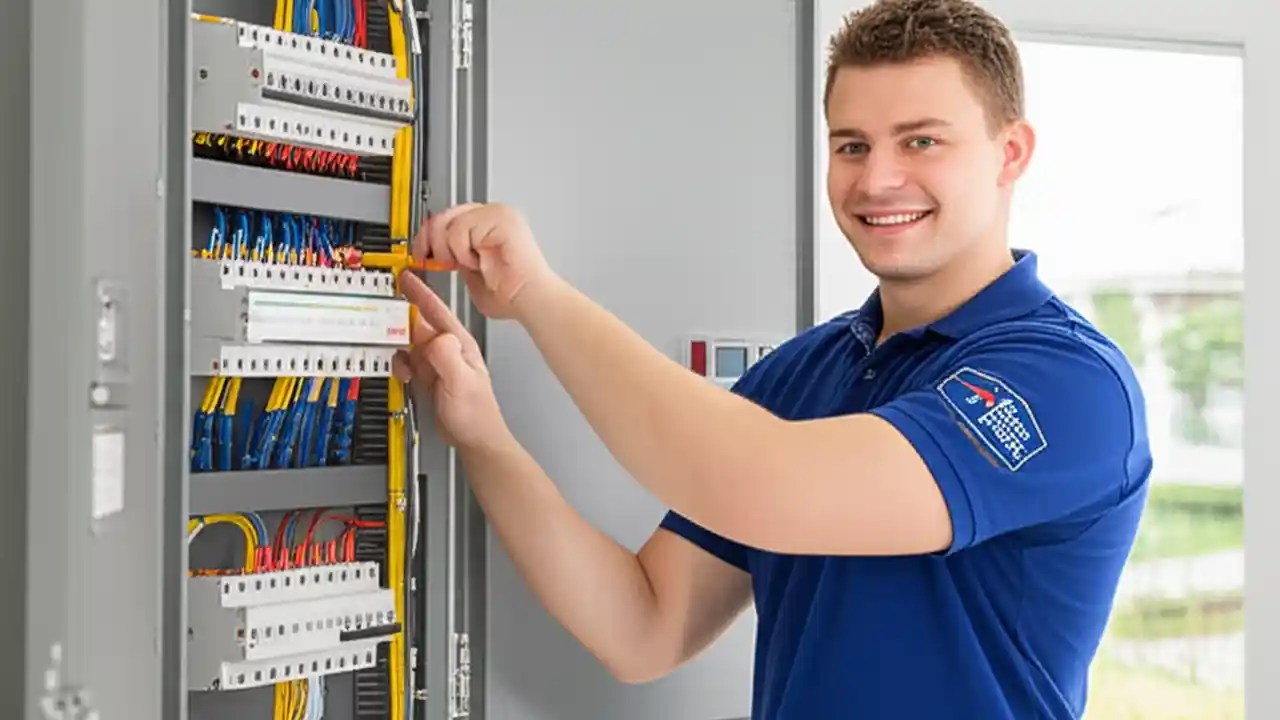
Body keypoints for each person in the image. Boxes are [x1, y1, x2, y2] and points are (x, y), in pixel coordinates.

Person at [391, 0, 1151, 716]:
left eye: (921, 140)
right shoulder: (802, 374)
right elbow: (643, 627)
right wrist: (485, 435)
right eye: (851, 145)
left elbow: (758, 484)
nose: (878, 178)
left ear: (1009, 153)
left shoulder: (1069, 384)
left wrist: (534, 292)